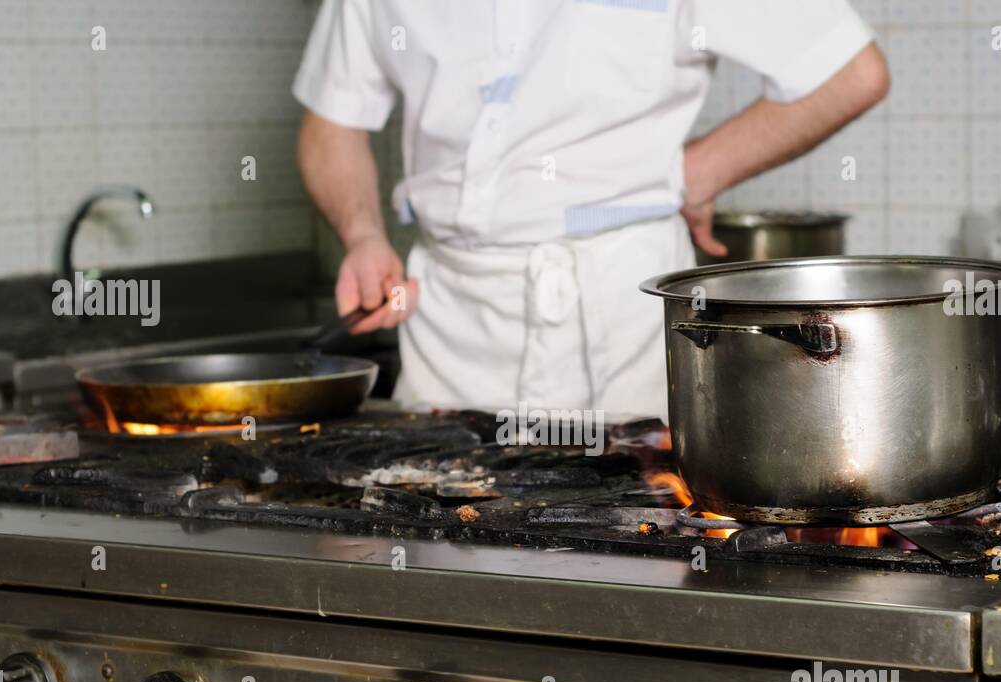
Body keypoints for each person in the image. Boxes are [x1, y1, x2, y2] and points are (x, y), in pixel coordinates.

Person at [294, 0, 889, 419]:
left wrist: (690, 173)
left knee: (627, 547)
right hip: (448, 316)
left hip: (619, 308)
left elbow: (850, 72)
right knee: (436, 535)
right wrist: (363, 233)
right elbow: (332, 123)